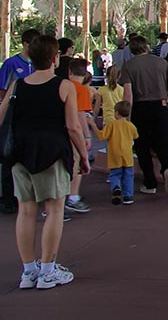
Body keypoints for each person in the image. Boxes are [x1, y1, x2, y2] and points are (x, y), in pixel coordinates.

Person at [0, 35, 90, 289]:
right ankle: (48, 270)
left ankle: (29, 271)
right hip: (52, 153)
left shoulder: (18, 85)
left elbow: (1, 116)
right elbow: (73, 127)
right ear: (55, 58)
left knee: (26, 211)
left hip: (20, 153)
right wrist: (83, 156)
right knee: (54, 210)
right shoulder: (64, 87)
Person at [119, 36, 168, 195]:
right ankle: (167, 168)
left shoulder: (129, 66)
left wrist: (126, 116)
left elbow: (128, 94)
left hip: (140, 107)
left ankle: (150, 182)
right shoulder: (161, 62)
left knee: (142, 146)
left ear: (131, 49)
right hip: (160, 105)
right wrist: (165, 94)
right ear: (147, 46)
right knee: (163, 141)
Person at [1, 27, 41, 214]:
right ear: (26, 44)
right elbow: (2, 89)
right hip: (13, 113)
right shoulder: (11, 64)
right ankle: (8, 198)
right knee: (9, 154)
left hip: (32, 115)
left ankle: (28, 195)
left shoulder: (37, 64)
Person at [87, 101, 138, 205]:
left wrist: (93, 125)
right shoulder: (131, 126)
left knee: (115, 174)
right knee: (128, 175)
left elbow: (101, 136)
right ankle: (128, 196)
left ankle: (116, 189)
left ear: (117, 113)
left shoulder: (111, 125)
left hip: (114, 155)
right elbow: (136, 136)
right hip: (127, 155)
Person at [65, 59, 94, 214]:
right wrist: (87, 136)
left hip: (61, 133)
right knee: (77, 166)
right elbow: (81, 114)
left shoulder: (62, 85)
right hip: (74, 133)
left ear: (70, 72)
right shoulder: (82, 90)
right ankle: (72, 197)